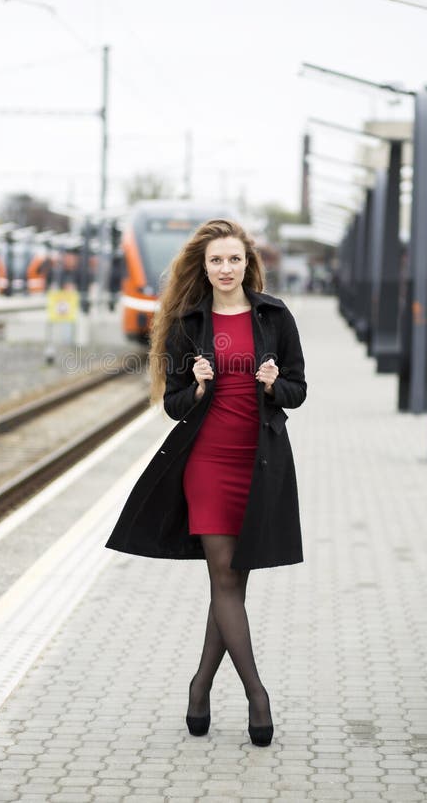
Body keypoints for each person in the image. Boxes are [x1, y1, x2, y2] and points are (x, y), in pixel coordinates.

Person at [105, 218, 306, 746]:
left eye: (233, 259)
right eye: (216, 260)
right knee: (223, 575)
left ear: (247, 263)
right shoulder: (188, 325)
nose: (225, 268)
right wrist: (193, 389)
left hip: (258, 463)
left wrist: (272, 385)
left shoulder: (274, 316)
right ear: (205, 266)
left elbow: (298, 390)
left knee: (233, 584)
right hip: (208, 463)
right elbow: (172, 406)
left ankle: (199, 687)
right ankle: (257, 697)